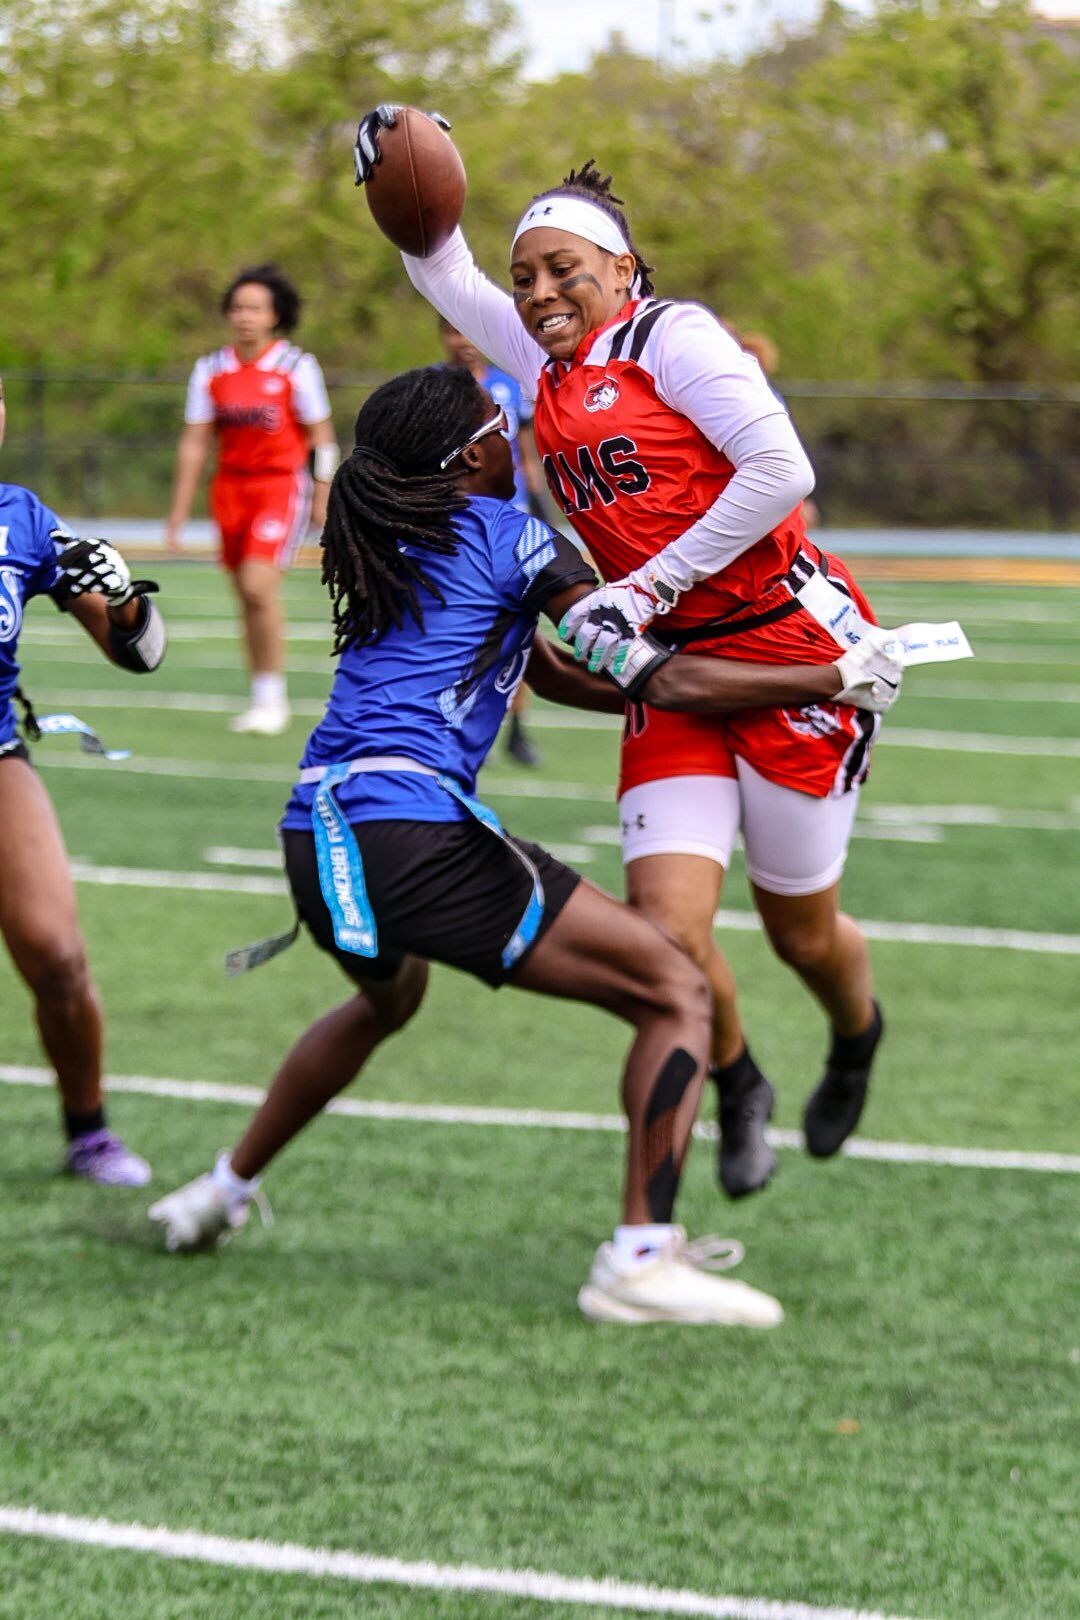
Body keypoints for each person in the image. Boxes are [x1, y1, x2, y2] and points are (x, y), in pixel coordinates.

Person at [148, 364, 899, 1324]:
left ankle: (222, 1188)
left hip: (316, 831)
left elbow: (550, 671)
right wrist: (827, 676)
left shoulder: (394, 532)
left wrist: (700, 691)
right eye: (505, 426)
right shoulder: (514, 535)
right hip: (412, 830)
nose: (519, 441)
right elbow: (650, 677)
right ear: (473, 454)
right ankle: (638, 1260)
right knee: (677, 986)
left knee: (386, 1003)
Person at [354, 113, 894, 1200]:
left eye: (565, 268)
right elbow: (442, 270)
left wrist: (644, 585)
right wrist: (395, 173)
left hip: (784, 648)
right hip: (674, 675)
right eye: (526, 277)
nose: (541, 291)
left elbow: (779, 471)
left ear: (623, 267)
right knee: (668, 936)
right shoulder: (544, 355)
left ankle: (857, 1035)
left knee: (801, 934)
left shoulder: (671, 337)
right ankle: (737, 1079)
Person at [0, 374, 167, 1185]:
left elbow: (137, 654)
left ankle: (89, 1131)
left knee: (59, 957)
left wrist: (124, 595)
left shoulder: (21, 517)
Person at [165, 264, 338, 736]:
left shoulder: (295, 367)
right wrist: (178, 513)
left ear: (274, 315)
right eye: (238, 307)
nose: (245, 317)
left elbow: (323, 438)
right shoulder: (211, 369)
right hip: (230, 489)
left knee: (259, 585)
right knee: (245, 595)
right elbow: (195, 442)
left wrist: (323, 496)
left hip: (280, 486)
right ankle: (262, 694)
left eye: (255, 308)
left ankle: (273, 700)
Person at [438, 316, 547, 766]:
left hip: (510, 519)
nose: (461, 340)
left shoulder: (509, 386)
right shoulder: (435, 390)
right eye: (451, 331)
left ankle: (517, 726)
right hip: (458, 520)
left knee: (517, 622)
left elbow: (526, 451)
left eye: (467, 330)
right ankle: (448, 720)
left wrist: (540, 501)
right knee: (457, 621)